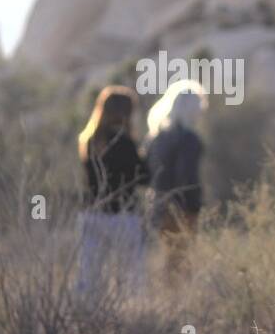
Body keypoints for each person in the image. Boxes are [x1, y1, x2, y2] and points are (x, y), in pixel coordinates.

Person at [77, 86, 149, 295]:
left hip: (92, 213)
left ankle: (85, 314)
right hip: (123, 217)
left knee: (89, 275)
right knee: (132, 276)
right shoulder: (126, 143)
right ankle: (133, 316)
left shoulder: (90, 141)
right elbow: (144, 177)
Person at [145, 80, 208, 284]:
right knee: (180, 261)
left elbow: (149, 174)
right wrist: (194, 206)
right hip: (182, 209)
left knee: (168, 257)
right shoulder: (189, 139)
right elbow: (187, 176)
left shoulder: (156, 137)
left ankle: (166, 302)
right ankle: (176, 305)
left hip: (158, 206)